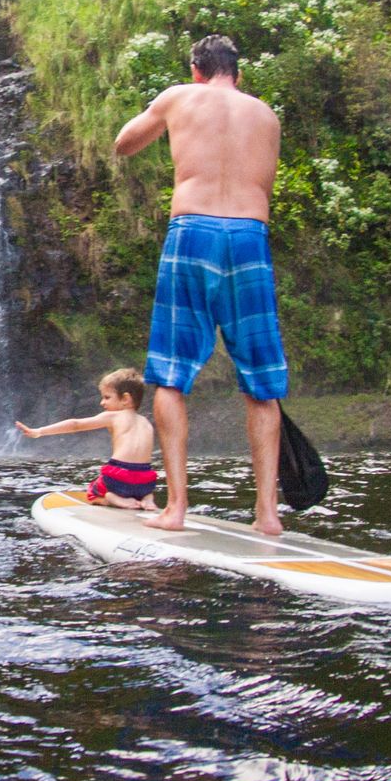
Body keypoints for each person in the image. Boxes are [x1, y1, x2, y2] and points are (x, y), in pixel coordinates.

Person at [111, 33, 288, 536]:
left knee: (170, 375)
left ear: (196, 70)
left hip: (193, 232)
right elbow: (264, 181)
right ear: (238, 73)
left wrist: (167, 119)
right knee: (262, 380)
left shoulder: (179, 97)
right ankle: (267, 514)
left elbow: (124, 144)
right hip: (249, 236)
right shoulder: (266, 115)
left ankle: (176, 508)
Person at [16, 368, 159, 509]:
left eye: (107, 397)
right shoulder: (146, 422)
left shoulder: (112, 416)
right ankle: (147, 498)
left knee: (92, 492)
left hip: (118, 479)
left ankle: (111, 499)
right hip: (146, 481)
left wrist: (39, 431)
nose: (102, 403)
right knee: (138, 481)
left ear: (125, 399)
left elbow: (75, 425)